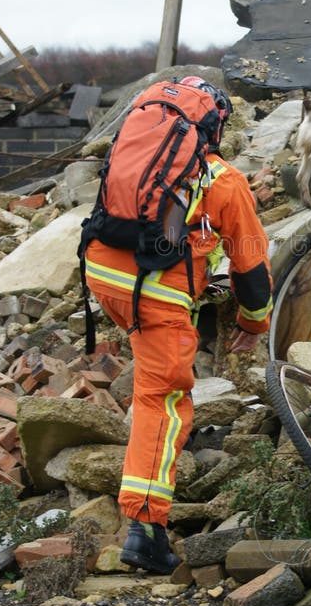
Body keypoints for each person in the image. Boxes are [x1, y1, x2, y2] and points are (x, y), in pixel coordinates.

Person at [83, 77, 272, 573]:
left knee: (149, 358)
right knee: (161, 399)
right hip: (154, 291)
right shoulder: (224, 180)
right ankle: (146, 531)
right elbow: (250, 264)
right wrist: (254, 322)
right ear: (214, 127)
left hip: (103, 274)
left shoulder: (136, 159)